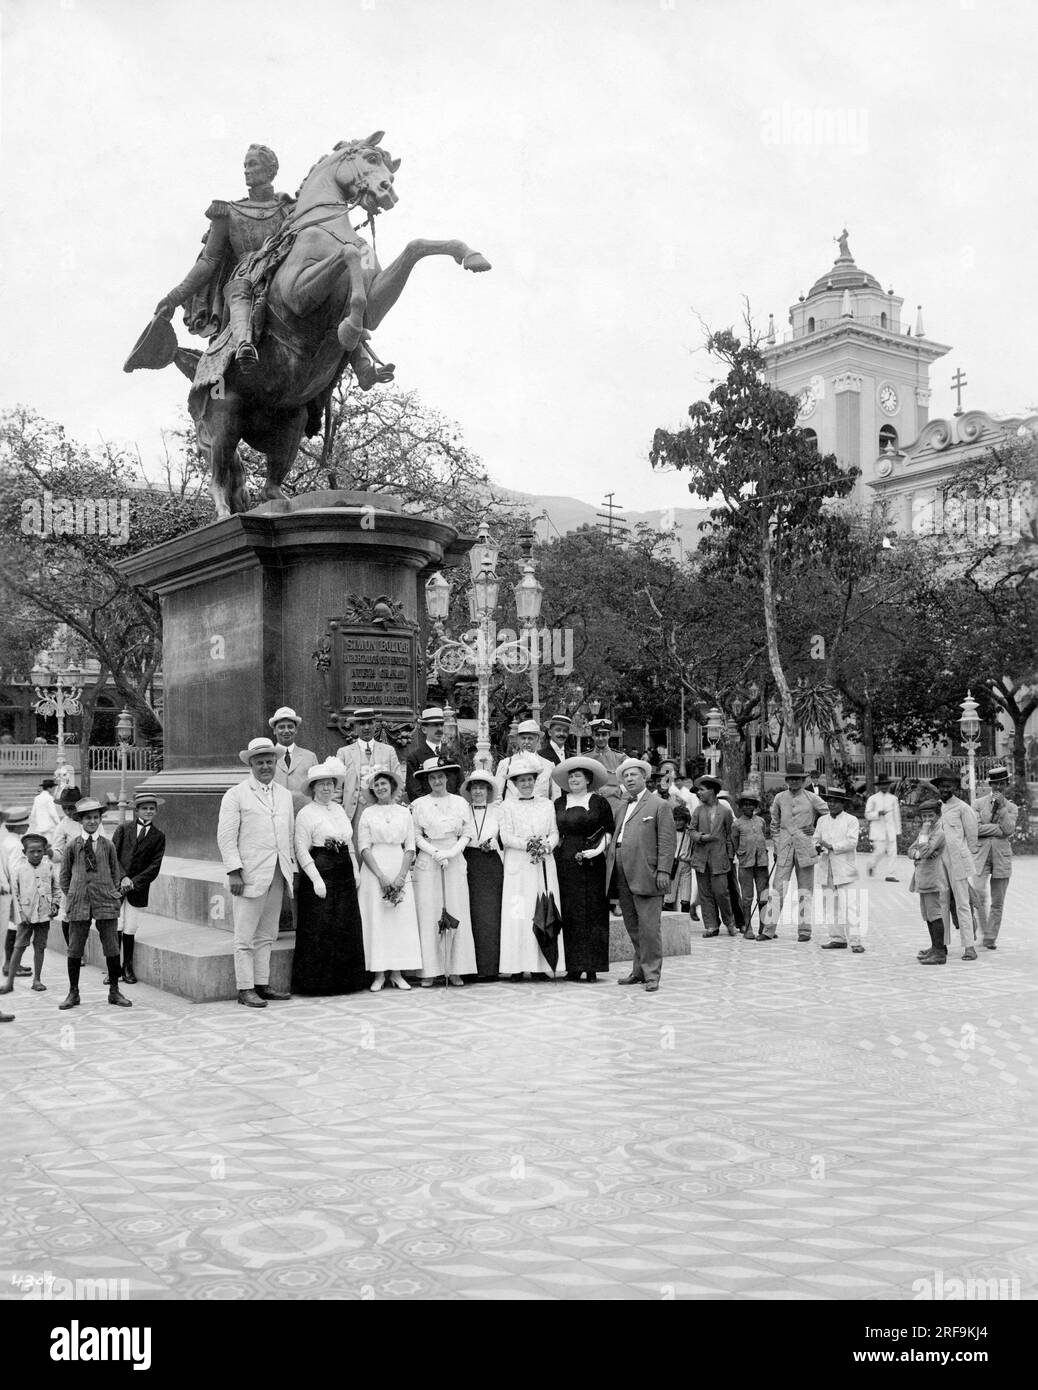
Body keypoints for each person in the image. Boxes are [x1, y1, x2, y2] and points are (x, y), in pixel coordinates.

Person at [153, 144, 295, 372]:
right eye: (245, 166)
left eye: (253, 164)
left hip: (283, 272)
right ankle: (243, 345)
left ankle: (360, 358)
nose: (247, 170)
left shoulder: (288, 209)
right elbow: (208, 261)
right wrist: (173, 298)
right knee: (238, 289)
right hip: (247, 276)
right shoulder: (228, 212)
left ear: (270, 171)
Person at [216, 737, 295, 1009]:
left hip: (277, 873)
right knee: (244, 936)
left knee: (268, 933)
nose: (265, 766)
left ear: (276, 763)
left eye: (269, 761)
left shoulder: (284, 796)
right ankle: (245, 988)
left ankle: (262, 983)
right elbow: (226, 838)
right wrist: (234, 871)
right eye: (259, 762)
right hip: (248, 875)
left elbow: (290, 833)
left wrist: (290, 869)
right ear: (250, 764)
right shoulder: (236, 794)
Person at [291, 761, 367, 995]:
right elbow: (301, 848)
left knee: (344, 926)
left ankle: (347, 982)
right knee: (321, 927)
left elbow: (349, 844)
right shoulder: (306, 813)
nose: (326, 788)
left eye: (330, 784)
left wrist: (355, 870)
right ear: (313, 788)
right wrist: (315, 879)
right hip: (322, 874)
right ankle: (318, 984)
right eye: (321, 784)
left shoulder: (339, 810)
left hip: (343, 874)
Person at [607, 757, 676, 992]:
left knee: (649, 927)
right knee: (632, 925)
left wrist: (664, 870)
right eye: (625, 776)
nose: (629, 779)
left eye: (633, 775)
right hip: (622, 872)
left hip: (647, 872)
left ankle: (652, 974)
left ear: (644, 777)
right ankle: (639, 970)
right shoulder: (622, 807)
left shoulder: (659, 805)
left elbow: (667, 842)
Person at [58, 798, 131, 1011]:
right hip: (79, 901)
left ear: (100, 819)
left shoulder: (107, 845)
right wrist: (73, 894)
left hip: (105, 900)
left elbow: (115, 872)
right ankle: (73, 992)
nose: (92, 821)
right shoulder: (73, 846)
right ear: (80, 820)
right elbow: (64, 876)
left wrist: (113, 894)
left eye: (96, 817)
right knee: (75, 948)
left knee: (111, 946)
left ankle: (115, 990)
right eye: (88, 818)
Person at [410, 757, 477, 985]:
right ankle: (431, 970)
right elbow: (416, 834)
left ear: (447, 778)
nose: (437, 780)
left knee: (456, 909)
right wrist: (434, 852)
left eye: (441, 776)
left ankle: (455, 969)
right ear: (427, 780)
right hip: (429, 861)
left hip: (455, 859)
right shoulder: (419, 804)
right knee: (430, 912)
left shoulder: (460, 802)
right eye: (432, 777)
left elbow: (468, 832)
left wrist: (452, 852)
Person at [498, 756, 565, 979]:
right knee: (518, 913)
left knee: (541, 909)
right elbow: (505, 836)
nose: (526, 784)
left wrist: (547, 845)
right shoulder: (507, 806)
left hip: (542, 865)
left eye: (529, 779)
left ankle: (541, 965)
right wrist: (527, 844)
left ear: (536, 781)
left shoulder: (546, 804)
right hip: (518, 866)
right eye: (521, 780)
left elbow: (554, 832)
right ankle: (517, 966)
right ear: (514, 784)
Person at [357, 769, 422, 991]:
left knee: (398, 922)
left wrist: (401, 876)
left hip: (398, 866)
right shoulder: (367, 813)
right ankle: (378, 974)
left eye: (384, 784)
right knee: (377, 921)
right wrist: (381, 876)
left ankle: (397, 973)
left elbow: (410, 846)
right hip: (374, 869)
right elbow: (364, 847)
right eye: (377, 785)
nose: (381, 788)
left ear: (392, 786)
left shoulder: (404, 813)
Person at [553, 756, 614, 982]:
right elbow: (554, 832)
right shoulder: (559, 803)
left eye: (578, 775)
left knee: (593, 912)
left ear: (588, 779)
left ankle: (592, 967)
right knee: (570, 912)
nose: (573, 780)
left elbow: (609, 831)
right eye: (570, 776)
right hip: (566, 861)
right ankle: (573, 966)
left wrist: (598, 851)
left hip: (591, 861)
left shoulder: (599, 802)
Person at [108, 793, 167, 986]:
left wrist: (133, 882)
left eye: (152, 808)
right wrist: (123, 876)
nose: (148, 811)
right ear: (136, 810)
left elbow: (154, 865)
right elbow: (112, 856)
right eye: (144, 808)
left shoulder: (158, 836)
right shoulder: (124, 829)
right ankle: (113, 969)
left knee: (130, 926)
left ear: (156, 811)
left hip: (137, 888)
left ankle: (128, 967)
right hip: (118, 884)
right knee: (117, 924)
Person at [764, 763, 827, 941]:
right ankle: (768, 929)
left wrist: (816, 830)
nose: (794, 782)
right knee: (777, 889)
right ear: (786, 780)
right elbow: (774, 824)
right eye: (791, 778)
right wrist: (777, 844)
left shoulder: (812, 797)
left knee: (805, 890)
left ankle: (805, 931)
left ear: (803, 780)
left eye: (798, 779)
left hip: (806, 848)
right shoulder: (779, 798)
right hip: (784, 847)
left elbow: (828, 815)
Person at [929, 766, 980, 961]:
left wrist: (965, 859)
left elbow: (972, 838)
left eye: (948, 786)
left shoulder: (963, 808)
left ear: (955, 788)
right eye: (942, 786)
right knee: (941, 903)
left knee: (962, 903)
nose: (944, 790)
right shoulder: (936, 808)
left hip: (958, 861)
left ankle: (969, 946)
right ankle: (941, 946)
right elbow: (930, 832)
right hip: (938, 861)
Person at [0, 832, 59, 994]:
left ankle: (37, 980)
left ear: (44, 851)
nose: (36, 854)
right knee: (19, 947)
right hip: (25, 916)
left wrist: (55, 904)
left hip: (44, 915)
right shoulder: (18, 870)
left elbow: (56, 888)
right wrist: (20, 914)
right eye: (31, 851)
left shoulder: (48, 866)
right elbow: (15, 894)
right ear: (24, 853)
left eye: (39, 851)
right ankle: (10, 982)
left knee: (40, 947)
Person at [460, 770, 505, 981]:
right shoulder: (462, 810)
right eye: (474, 787)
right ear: (469, 791)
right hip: (468, 860)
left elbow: (505, 835)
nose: (478, 791)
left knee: (490, 915)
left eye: (482, 787)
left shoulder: (498, 811)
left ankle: (490, 968)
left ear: (488, 791)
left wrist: (495, 843)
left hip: (491, 864)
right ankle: (471, 968)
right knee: (470, 913)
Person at [336, 707, 405, 839]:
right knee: (358, 851)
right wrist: (337, 815)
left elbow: (399, 783)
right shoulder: (344, 753)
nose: (366, 727)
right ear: (355, 727)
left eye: (370, 723)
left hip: (384, 811)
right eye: (362, 724)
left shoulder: (388, 751)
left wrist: (388, 804)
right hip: (355, 811)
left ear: (375, 724)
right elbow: (338, 787)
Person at [814, 787, 863, 953]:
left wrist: (832, 846)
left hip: (844, 868)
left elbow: (852, 842)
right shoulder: (822, 820)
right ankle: (837, 938)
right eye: (830, 801)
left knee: (850, 905)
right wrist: (818, 847)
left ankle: (855, 941)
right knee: (830, 905)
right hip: (826, 867)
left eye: (836, 801)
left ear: (843, 803)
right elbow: (815, 839)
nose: (832, 804)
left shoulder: (851, 820)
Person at [973, 767, 1017, 950]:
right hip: (981, 856)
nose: (998, 786)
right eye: (995, 783)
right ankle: (985, 929)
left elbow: (1008, 830)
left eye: (1002, 783)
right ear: (990, 785)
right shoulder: (977, 804)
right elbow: (974, 829)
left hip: (1002, 858)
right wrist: (997, 830)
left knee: (997, 902)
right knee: (978, 893)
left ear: (1006, 784)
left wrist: (1003, 811)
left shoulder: (1012, 807)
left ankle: (990, 937)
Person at [688, 774, 737, 937]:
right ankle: (711, 926)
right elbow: (691, 830)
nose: (699, 793)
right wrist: (701, 837)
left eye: (702, 790)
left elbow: (730, 835)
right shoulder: (698, 810)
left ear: (712, 791)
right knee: (705, 893)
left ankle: (730, 923)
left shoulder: (724, 811)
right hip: (701, 858)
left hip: (720, 857)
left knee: (722, 892)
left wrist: (730, 856)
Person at [908, 799, 950, 965]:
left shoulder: (938, 832)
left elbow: (924, 851)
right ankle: (934, 947)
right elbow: (911, 850)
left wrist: (922, 851)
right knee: (927, 915)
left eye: (930, 815)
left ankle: (940, 952)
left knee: (935, 914)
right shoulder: (925, 832)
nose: (927, 819)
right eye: (924, 816)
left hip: (933, 877)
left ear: (938, 815)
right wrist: (918, 854)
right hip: (923, 877)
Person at [731, 790, 770, 940]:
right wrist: (741, 855)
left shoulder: (760, 821)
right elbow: (734, 843)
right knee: (747, 897)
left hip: (761, 863)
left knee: (763, 896)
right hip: (745, 864)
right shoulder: (737, 824)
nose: (748, 807)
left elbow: (764, 836)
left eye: (751, 804)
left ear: (755, 806)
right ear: (741, 806)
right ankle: (747, 926)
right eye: (745, 804)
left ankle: (763, 926)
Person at [269, 706, 319, 814]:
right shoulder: (267, 756)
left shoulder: (310, 757)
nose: (286, 731)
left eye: (290, 727)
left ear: (296, 730)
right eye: (281, 727)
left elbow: (317, 788)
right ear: (274, 730)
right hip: (275, 816)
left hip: (305, 816)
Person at [405, 708, 462, 800]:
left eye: (441, 725)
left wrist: (453, 804)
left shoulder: (453, 754)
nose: (439, 729)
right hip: (427, 810)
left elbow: (461, 785)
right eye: (435, 725)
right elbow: (413, 791)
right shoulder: (415, 757)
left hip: (452, 809)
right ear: (424, 729)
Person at [494, 719, 554, 801]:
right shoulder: (506, 764)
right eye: (523, 738)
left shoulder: (548, 766)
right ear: (518, 739)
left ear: (537, 739)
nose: (526, 742)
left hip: (540, 811)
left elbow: (555, 798)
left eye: (530, 738)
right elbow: (497, 796)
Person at [865, 774, 902, 881]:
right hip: (878, 830)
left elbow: (897, 816)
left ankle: (891, 874)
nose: (884, 787)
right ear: (878, 786)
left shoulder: (893, 799)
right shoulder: (873, 799)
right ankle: (871, 864)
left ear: (889, 785)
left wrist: (898, 832)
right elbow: (867, 815)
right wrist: (878, 813)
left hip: (891, 830)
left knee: (892, 852)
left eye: (886, 785)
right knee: (880, 851)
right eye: (882, 785)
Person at [666, 803, 694, 914]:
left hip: (686, 864)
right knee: (669, 894)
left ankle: (684, 919)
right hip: (672, 863)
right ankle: (668, 918)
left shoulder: (689, 832)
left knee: (686, 894)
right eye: (675, 819)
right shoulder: (669, 831)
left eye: (680, 820)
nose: (677, 822)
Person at [28, 777, 62, 842]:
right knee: (48, 844)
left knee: (42, 843)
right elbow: (53, 813)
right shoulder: (49, 798)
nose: (53, 789)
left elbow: (33, 813)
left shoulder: (37, 798)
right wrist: (59, 823)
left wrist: (37, 822)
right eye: (53, 788)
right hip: (49, 827)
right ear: (49, 788)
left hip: (40, 826)